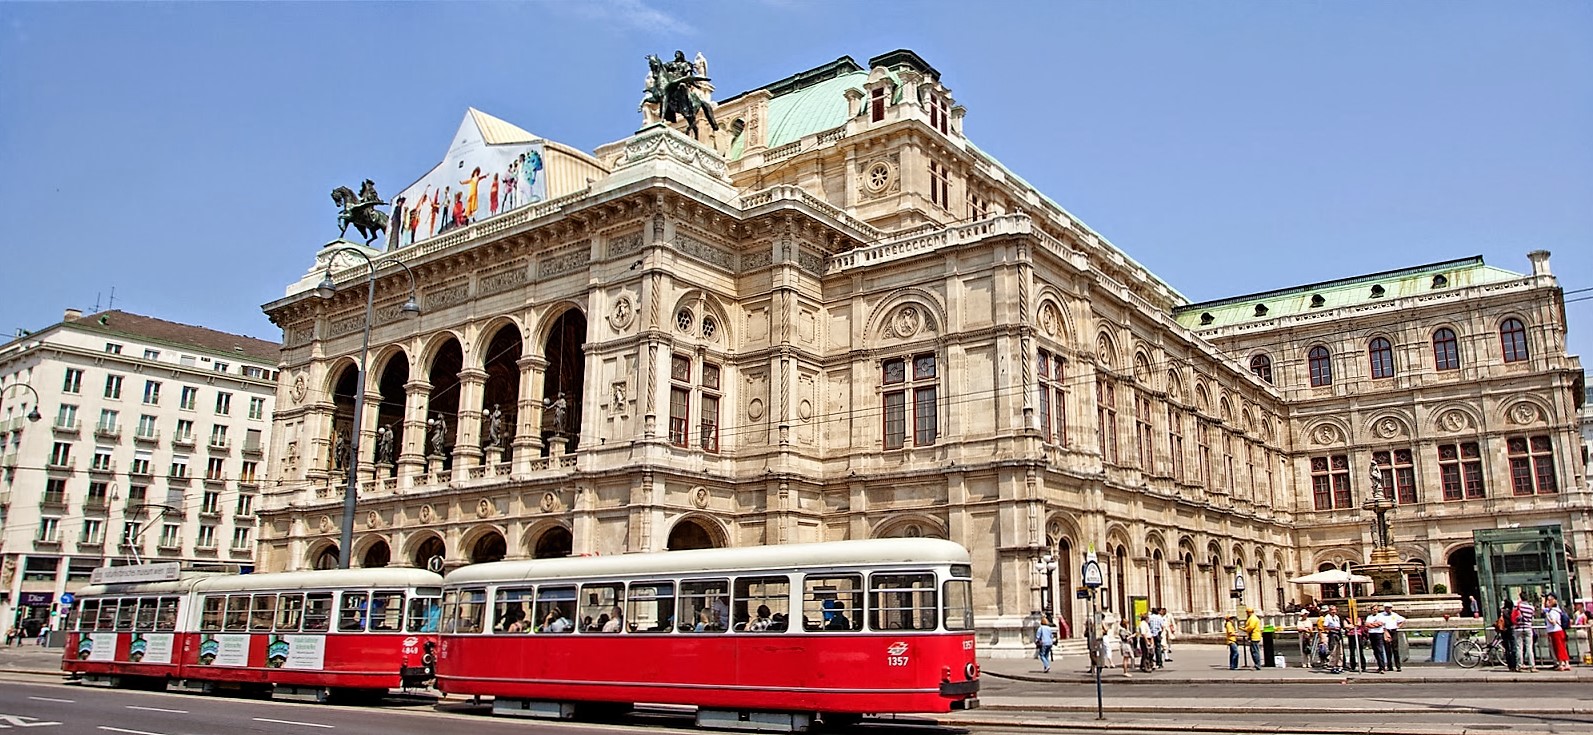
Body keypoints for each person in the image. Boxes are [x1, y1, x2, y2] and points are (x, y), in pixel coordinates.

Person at [1544, 594, 1570, 671]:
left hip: (1555, 631)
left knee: (1558, 648)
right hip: (1559, 630)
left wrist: (1547, 616)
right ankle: (1566, 663)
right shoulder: (1558, 610)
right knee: (1562, 647)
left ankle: (1561, 664)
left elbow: (1553, 622)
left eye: (1549, 601)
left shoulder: (1552, 611)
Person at [1377, 603, 1406, 671]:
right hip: (1386, 631)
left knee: (1395, 649)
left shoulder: (1394, 615)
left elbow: (1403, 620)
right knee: (1388, 649)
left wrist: (1398, 626)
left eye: (1390, 608)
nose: (1389, 609)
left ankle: (1398, 666)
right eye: (1388, 608)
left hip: (1393, 631)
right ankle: (1389, 666)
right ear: (1385, 608)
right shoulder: (1381, 615)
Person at [1514, 591, 1538, 672]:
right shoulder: (1531, 608)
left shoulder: (1518, 606)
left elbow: (1514, 616)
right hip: (1528, 628)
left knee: (1519, 647)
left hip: (1518, 628)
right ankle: (1532, 666)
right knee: (1529, 647)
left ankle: (1519, 665)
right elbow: (1532, 617)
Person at [1496, 598, 1519, 672]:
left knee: (1507, 648)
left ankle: (1509, 665)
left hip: (1503, 630)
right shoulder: (1511, 611)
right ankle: (1514, 665)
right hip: (1510, 629)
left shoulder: (1501, 611)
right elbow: (1513, 620)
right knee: (1513, 648)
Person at [1320, 605, 1344, 674]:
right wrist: (1333, 628)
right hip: (1332, 634)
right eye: (1332, 610)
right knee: (1333, 650)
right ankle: (1333, 665)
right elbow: (1325, 627)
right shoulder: (1327, 617)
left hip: (1338, 633)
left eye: (1334, 610)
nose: (1333, 611)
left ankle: (1339, 665)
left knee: (1340, 650)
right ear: (1329, 610)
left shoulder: (1336, 617)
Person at [1243, 607, 1263, 671]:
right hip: (1254, 636)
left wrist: (1244, 629)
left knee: (1254, 651)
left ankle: (1257, 664)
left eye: (1247, 612)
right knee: (1254, 651)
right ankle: (1257, 664)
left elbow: (1250, 627)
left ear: (1249, 612)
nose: (1246, 613)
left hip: (1254, 636)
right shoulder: (1253, 618)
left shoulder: (1252, 618)